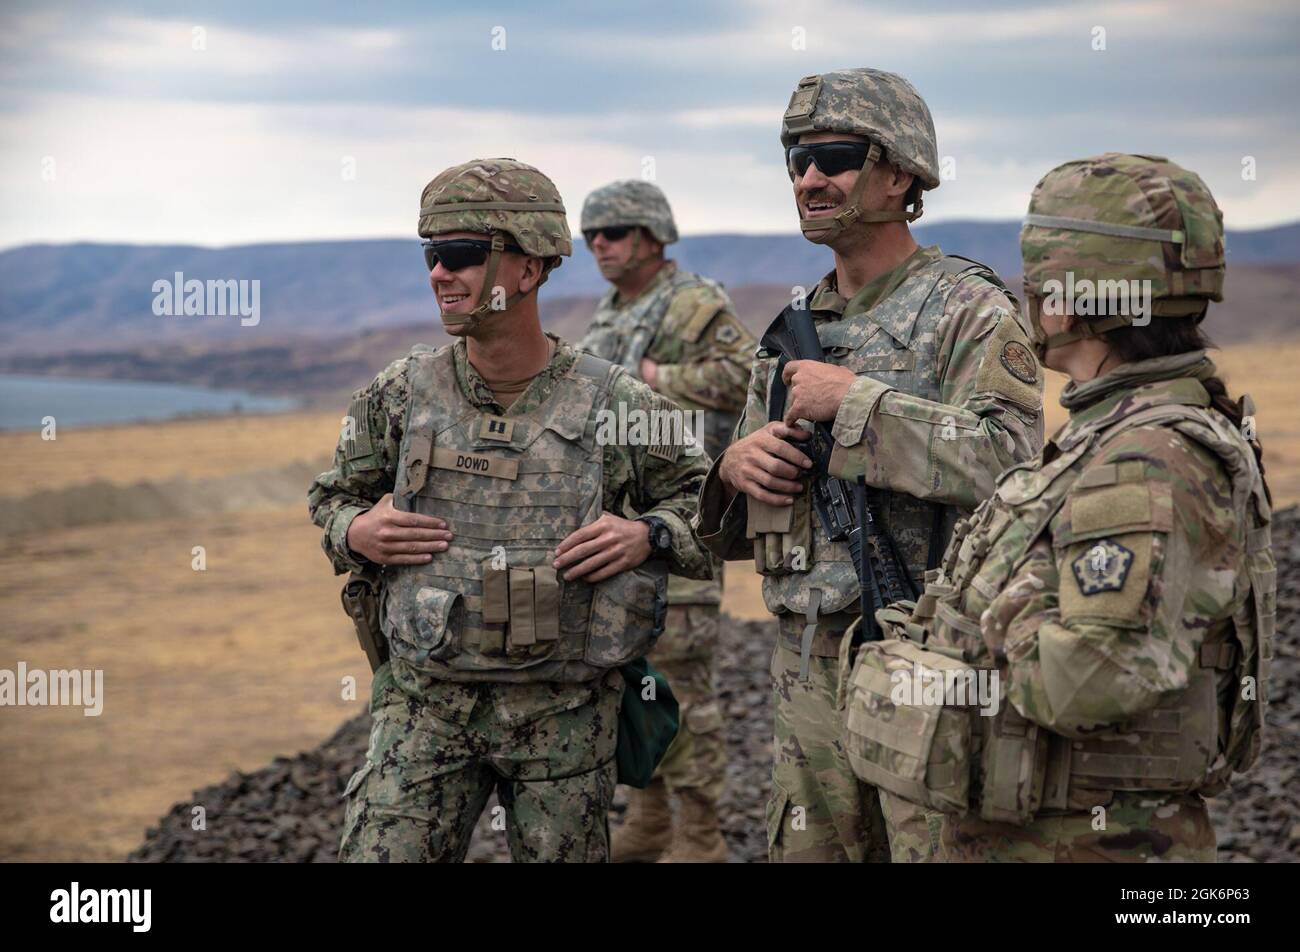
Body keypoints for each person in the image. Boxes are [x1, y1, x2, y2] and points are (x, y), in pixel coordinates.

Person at [848, 152, 1275, 862]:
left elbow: (1083, 682)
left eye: (1036, 281)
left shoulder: (1143, 457)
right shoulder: (1118, 430)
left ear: (1070, 300)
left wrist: (998, 611)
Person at [307, 158, 712, 863]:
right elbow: (331, 499)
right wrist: (357, 530)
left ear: (529, 268)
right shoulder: (401, 394)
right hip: (424, 707)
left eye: (463, 255)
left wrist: (646, 534)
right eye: (433, 256)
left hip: (565, 715)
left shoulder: (618, 404)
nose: (440, 274)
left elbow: (711, 513)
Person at [694, 68, 1044, 863]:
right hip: (807, 668)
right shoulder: (793, 329)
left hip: (932, 663)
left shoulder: (969, 311)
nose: (810, 178)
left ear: (900, 174)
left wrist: (858, 406)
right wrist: (734, 471)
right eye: (796, 160)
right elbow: (738, 521)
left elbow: (1015, 471)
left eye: (836, 156)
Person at [577, 179, 755, 862]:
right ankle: (650, 820)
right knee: (634, 680)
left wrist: (655, 376)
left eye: (614, 232)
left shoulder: (693, 302)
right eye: (592, 234)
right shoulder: (612, 310)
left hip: (679, 523)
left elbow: (746, 375)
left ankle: (701, 836)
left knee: (684, 684)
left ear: (652, 236)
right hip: (617, 530)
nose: (600, 244)